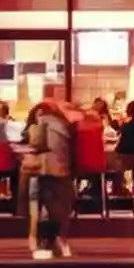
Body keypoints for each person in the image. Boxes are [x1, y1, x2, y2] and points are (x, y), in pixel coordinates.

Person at [28, 99, 76, 258]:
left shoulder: (40, 124)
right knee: (61, 208)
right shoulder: (64, 127)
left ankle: (44, 242)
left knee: (43, 208)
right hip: (62, 171)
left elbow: (36, 148)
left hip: (44, 171)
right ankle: (59, 240)